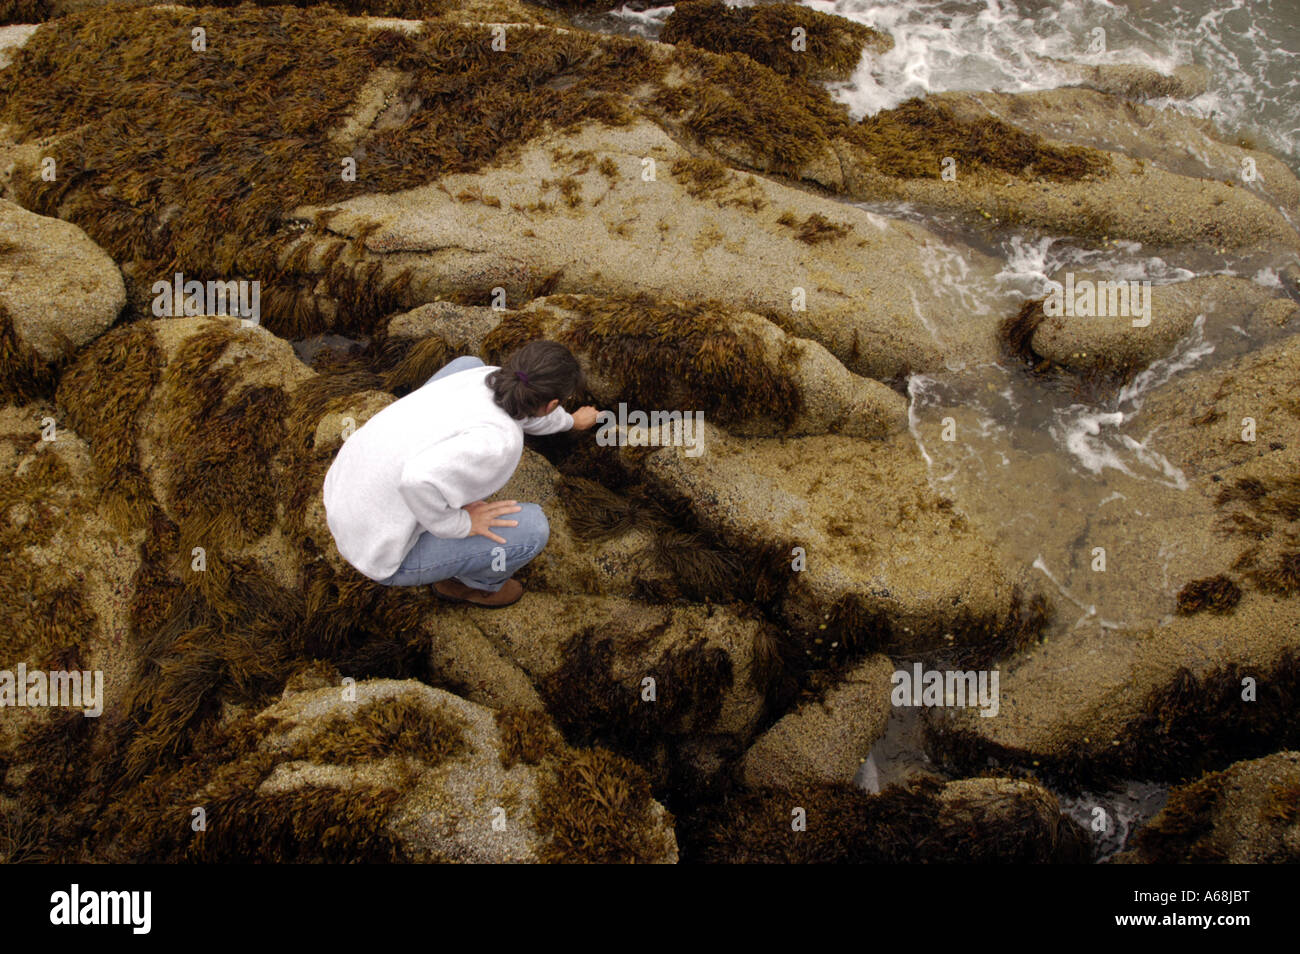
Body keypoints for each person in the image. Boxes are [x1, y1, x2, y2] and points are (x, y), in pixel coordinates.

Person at [322, 340, 600, 608]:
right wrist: (461, 523)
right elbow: (417, 480)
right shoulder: (499, 443)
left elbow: (529, 412)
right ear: (551, 404)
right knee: (532, 530)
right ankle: (468, 586)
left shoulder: (485, 376)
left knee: (466, 363)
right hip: (374, 548)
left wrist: (570, 422)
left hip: (343, 487)